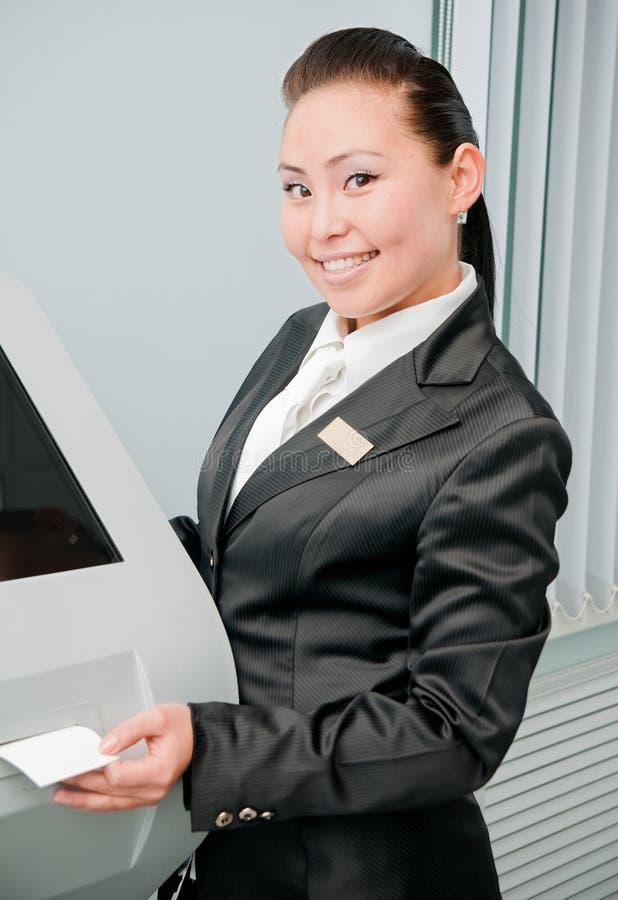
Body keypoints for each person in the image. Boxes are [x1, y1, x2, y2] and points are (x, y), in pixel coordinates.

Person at [53, 27, 572, 899]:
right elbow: (251, 544)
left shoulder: (501, 432)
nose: (322, 224)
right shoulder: (304, 338)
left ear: (461, 179)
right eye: (297, 188)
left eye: (359, 179)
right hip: (225, 862)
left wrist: (211, 754)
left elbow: (454, 731)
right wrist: (80, 543)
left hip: (356, 877)